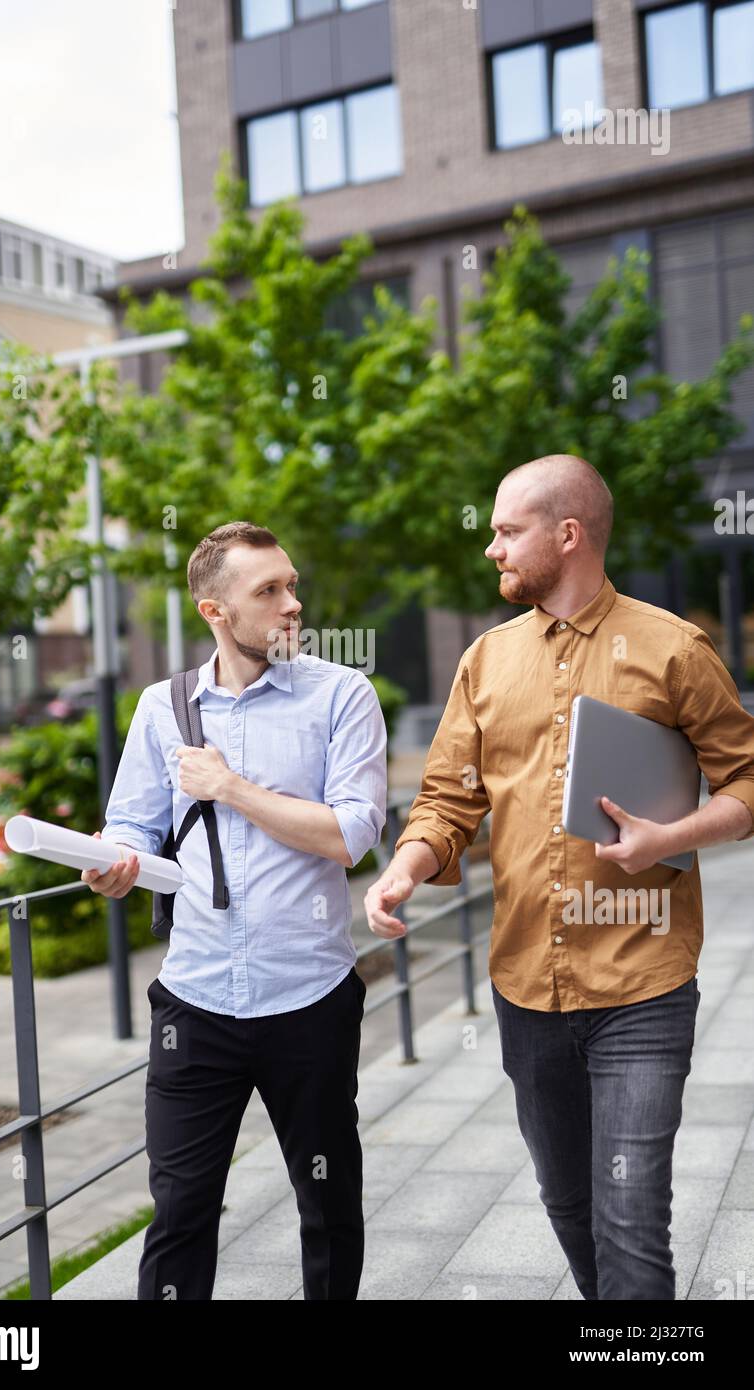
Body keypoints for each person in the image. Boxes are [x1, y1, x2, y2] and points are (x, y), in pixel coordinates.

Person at [364, 454, 754, 1301]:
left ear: (566, 534)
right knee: (569, 1202)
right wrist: (404, 866)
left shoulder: (675, 649)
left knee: (631, 1216)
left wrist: (672, 836)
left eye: (506, 531)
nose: (491, 550)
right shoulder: (484, 661)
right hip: (525, 991)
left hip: (642, 985)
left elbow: (748, 780)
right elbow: (446, 801)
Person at [83, 521, 386, 1300]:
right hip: (195, 1002)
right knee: (180, 1209)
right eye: (269, 592)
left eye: (291, 585)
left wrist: (232, 789)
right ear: (215, 611)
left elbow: (351, 835)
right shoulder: (162, 706)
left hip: (309, 999)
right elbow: (133, 823)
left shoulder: (340, 695)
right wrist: (113, 862)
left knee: (328, 1204)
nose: (293, 604)